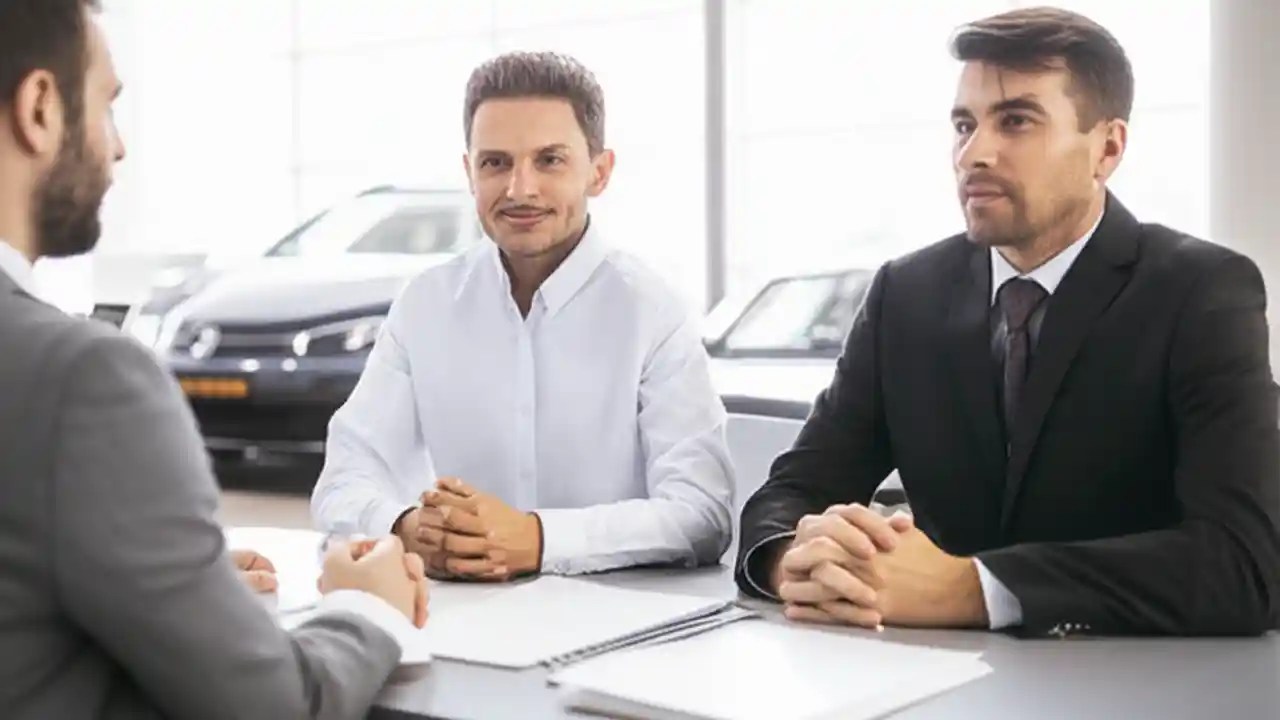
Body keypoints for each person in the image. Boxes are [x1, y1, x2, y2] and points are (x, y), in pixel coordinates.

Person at [736, 6, 1280, 637]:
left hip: (1131, 687)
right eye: (964, 124)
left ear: (1107, 148)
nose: (975, 153)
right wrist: (793, 562)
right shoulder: (904, 295)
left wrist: (978, 588)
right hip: (923, 685)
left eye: (1016, 121)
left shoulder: (1200, 292)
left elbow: (1245, 563)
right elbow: (790, 494)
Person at [0, 2, 429, 718]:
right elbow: (273, 707)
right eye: (107, 105)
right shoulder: (82, 379)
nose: (118, 146)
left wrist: (165, 576)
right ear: (40, 108)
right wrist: (368, 610)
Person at [311, 51, 734, 580]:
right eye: (496, 163)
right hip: (461, 617)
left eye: (549, 160)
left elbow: (702, 515)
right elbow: (343, 479)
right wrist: (406, 526)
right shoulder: (425, 305)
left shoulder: (654, 311)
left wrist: (535, 539)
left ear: (598, 172)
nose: (519, 189)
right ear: (469, 172)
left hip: (618, 626)